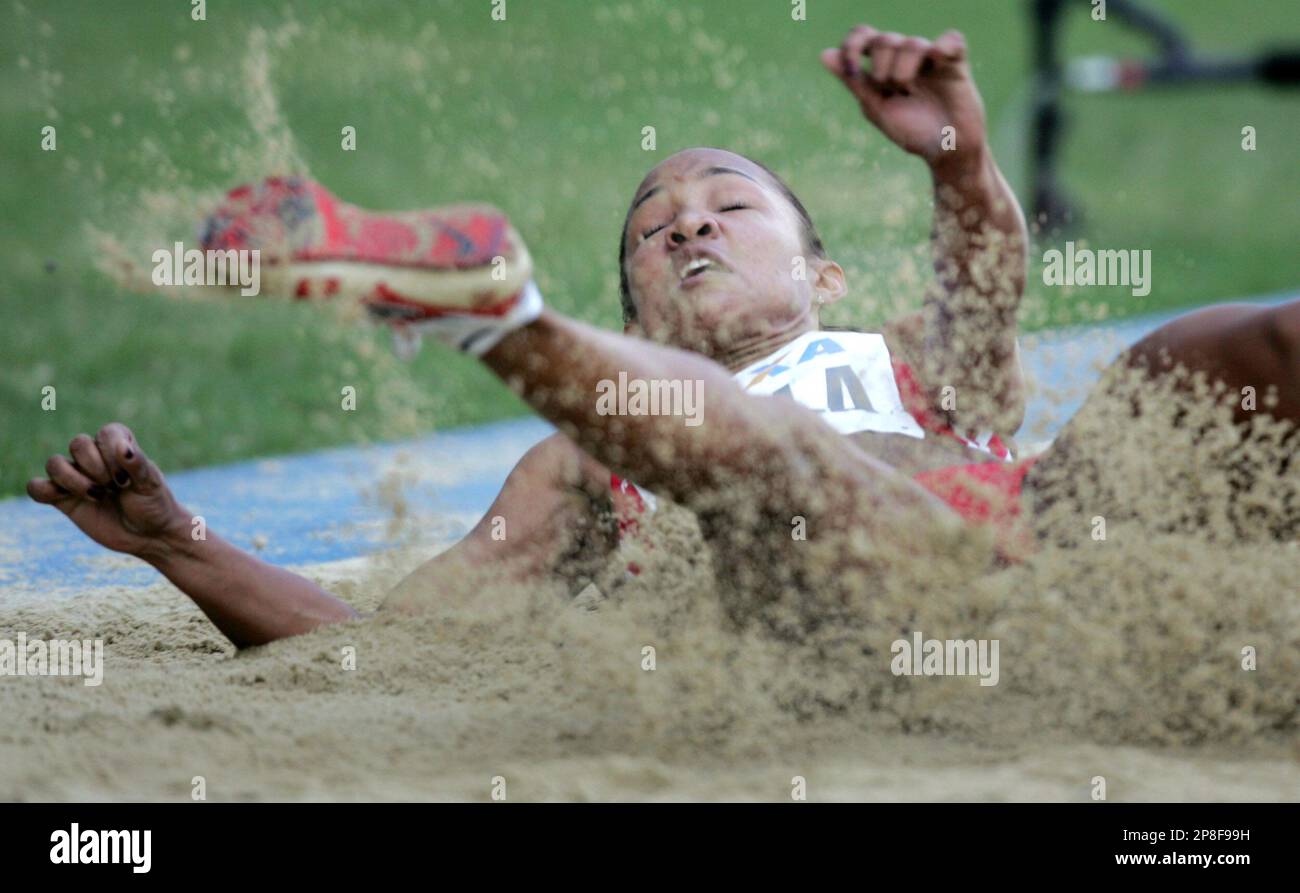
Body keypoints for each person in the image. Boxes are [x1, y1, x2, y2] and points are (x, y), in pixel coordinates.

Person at [28, 24, 1299, 649]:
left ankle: (497, 311)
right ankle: (497, 315)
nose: (689, 227)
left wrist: (958, 151)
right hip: (850, 614)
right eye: (654, 231)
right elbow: (393, 656)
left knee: (1205, 363)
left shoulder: (910, 357)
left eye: (728, 207)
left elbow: (986, 272)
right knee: (759, 449)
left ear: (823, 272)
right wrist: (178, 545)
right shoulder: (583, 464)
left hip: (1061, 555)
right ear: (629, 322)